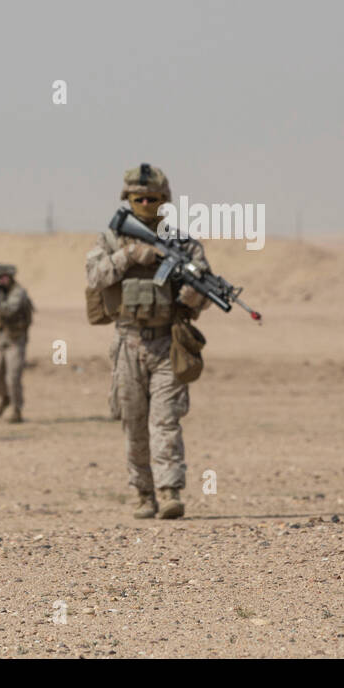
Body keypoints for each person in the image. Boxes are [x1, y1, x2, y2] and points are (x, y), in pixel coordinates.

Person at [85, 163, 210, 520]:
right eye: (139, 198)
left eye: (152, 198)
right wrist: (129, 256)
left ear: (164, 200)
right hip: (128, 343)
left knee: (166, 420)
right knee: (134, 423)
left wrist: (192, 294)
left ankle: (169, 490)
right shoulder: (110, 240)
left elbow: (202, 285)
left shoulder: (182, 243)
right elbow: (94, 277)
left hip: (167, 344)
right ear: (127, 199)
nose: (145, 203)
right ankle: (143, 494)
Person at [0, 263, 33, 423]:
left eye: (3, 277)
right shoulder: (1, 293)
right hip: (0, 340)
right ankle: (4, 398)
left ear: (10, 277)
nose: (0, 281)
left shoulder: (19, 292)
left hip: (15, 339)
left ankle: (16, 410)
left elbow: (9, 310)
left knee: (13, 377)